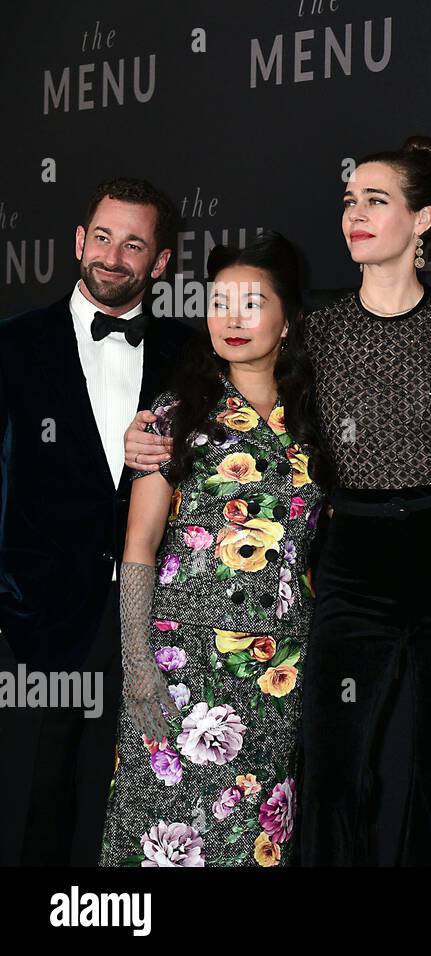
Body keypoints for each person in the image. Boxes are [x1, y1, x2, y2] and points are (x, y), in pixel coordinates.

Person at [126, 138, 431, 866]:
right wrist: (147, 429)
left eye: (375, 201)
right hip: (351, 557)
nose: (353, 213)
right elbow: (223, 364)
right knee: (332, 766)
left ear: (424, 221)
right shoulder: (314, 326)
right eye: (349, 200)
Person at [100, 232, 327, 866]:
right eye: (219, 301)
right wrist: (138, 664)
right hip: (178, 666)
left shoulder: (316, 418)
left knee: (251, 842)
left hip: (276, 671)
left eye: (251, 302)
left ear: (287, 319)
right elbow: (139, 545)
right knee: (159, 845)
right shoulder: (175, 415)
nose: (232, 318)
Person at [0, 178, 193, 865]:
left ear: (161, 263)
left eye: (134, 243)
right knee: (32, 812)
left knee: (128, 814)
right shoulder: (13, 347)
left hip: (152, 623)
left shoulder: (190, 356)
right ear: (79, 242)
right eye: (103, 238)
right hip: (37, 626)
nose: (114, 256)